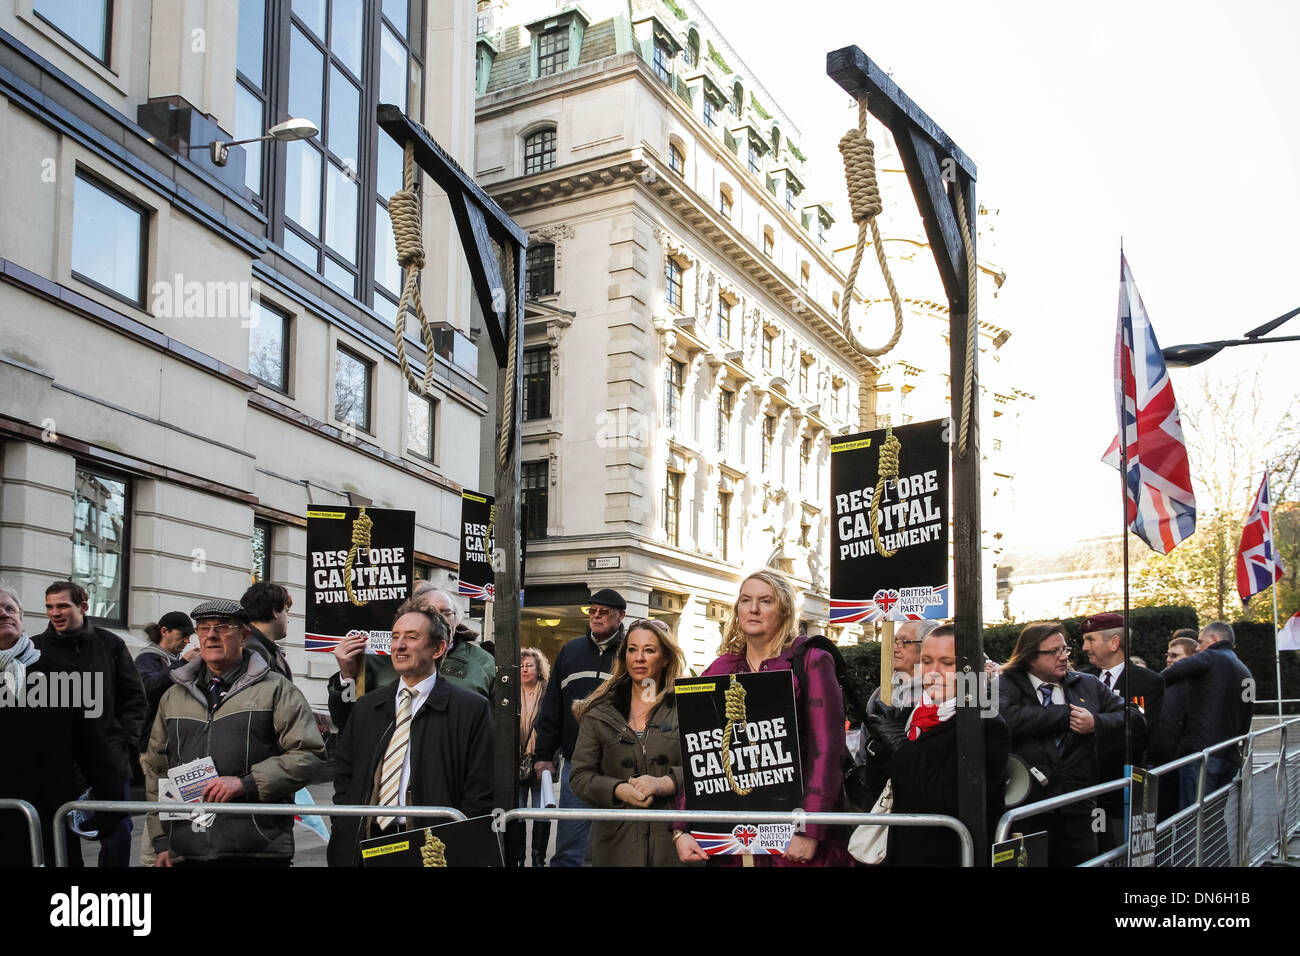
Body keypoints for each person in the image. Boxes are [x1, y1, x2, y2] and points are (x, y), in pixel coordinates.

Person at [675, 570, 852, 866]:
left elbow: (827, 750)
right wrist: (682, 828)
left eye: (765, 600)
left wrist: (811, 828)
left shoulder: (811, 661)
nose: (753, 608)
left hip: (794, 836)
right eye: (746, 600)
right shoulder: (720, 668)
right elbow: (699, 752)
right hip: (731, 838)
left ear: (783, 610)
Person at [144, 598, 325, 866]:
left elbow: (309, 754)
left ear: (244, 636)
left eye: (223, 627)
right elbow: (156, 768)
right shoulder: (173, 696)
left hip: (255, 847)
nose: (212, 636)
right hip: (187, 848)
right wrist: (161, 841)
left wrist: (246, 783)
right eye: (204, 628)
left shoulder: (276, 690)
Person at [328, 608, 494, 866]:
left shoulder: (471, 709)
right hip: (370, 842)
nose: (399, 646)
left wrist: (458, 841)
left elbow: (480, 789)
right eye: (395, 637)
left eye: (412, 637)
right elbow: (345, 772)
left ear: (438, 649)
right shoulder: (368, 707)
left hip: (432, 846)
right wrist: (344, 823)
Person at [0, 584, 123, 867]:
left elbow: (92, 750)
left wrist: (110, 808)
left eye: (10, 608)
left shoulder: (61, 676)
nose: (4, 614)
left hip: (45, 823)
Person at [995, 622, 1137, 866]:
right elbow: (1005, 718)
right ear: (1030, 657)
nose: (1063, 657)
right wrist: (1064, 715)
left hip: (1078, 809)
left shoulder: (1088, 683)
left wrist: (1096, 722)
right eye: (1054, 652)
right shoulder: (1005, 684)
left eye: (1065, 649)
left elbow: (1133, 715)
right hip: (1027, 811)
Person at [866, 625, 1009, 866]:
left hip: (951, 855)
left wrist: (901, 748)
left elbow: (948, 800)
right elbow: (884, 791)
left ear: (969, 668)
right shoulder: (912, 714)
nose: (933, 672)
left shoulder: (987, 725)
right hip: (902, 850)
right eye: (927, 661)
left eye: (947, 663)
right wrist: (878, 751)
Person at [35, 580, 147, 868]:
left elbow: (134, 699)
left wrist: (123, 744)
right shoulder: (34, 649)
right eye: (49, 607)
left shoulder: (110, 645)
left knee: (118, 835)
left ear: (83, 606)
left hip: (108, 760)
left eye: (62, 606)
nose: (55, 612)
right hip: (57, 764)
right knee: (58, 838)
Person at [570, 619, 694, 867]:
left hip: (674, 843)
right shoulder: (599, 711)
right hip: (616, 843)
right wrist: (617, 789)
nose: (639, 657)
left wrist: (665, 783)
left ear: (666, 658)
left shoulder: (688, 707)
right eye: (632, 649)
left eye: (649, 650)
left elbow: (707, 770)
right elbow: (580, 777)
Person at [532, 588, 627, 867]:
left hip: (620, 761)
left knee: (616, 841)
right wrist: (543, 755)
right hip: (578, 762)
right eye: (591, 611)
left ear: (621, 616)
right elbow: (551, 708)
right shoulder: (570, 651)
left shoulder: (631, 651)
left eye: (603, 612)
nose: (595, 617)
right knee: (571, 844)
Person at [328, 583, 494, 730]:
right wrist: (347, 678)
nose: (439, 619)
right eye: (429, 613)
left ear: (456, 618)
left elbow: (497, 726)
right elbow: (345, 719)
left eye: (446, 612)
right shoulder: (380, 659)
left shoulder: (482, 662)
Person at [1079, 611, 1165, 850]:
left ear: (1114, 642)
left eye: (1091, 640)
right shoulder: (1080, 679)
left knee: (1120, 849)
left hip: (1121, 785)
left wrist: (1097, 724)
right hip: (1085, 786)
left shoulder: (1148, 682)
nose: (1085, 647)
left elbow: (1144, 733)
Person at [1161, 621, 1254, 809]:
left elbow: (1169, 674)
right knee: (1213, 822)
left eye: (1201, 642)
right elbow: (1247, 716)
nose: (1198, 648)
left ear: (1213, 639)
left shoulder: (1211, 657)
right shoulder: (1245, 672)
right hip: (1228, 755)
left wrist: (1147, 687)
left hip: (1202, 755)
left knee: (1193, 823)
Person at [135, 611, 199, 865]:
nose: (186, 641)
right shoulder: (148, 658)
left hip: (174, 743)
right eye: (183, 635)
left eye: (189, 636)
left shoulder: (169, 658)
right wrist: (183, 663)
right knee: (158, 804)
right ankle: (152, 857)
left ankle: (173, 853)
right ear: (164, 631)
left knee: (173, 802)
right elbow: (148, 687)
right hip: (153, 745)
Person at [517, 646, 551, 867]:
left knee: (541, 812)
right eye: (521, 665)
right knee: (517, 812)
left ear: (539, 669)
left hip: (541, 759)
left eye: (529, 665)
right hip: (517, 761)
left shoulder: (548, 692)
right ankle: (518, 857)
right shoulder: (509, 690)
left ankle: (538, 859)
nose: (525, 669)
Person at [240, 581, 293, 678]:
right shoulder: (254, 651)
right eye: (286, 611)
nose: (288, 619)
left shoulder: (264, 647)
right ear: (275, 611)